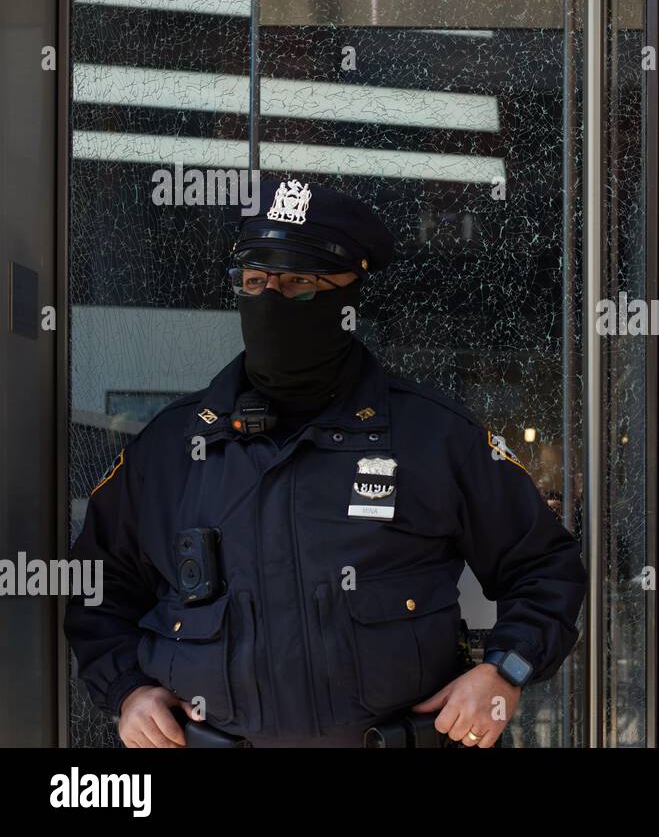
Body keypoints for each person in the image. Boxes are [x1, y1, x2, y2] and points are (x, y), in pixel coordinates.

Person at [64, 176, 586, 748]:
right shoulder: (169, 451)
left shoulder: (432, 437)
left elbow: (543, 566)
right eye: (255, 281)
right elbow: (96, 588)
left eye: (301, 284)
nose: (271, 300)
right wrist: (127, 691)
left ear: (348, 297)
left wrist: (503, 672)